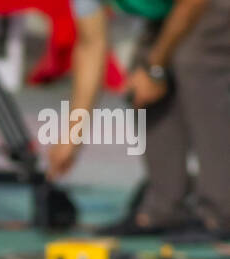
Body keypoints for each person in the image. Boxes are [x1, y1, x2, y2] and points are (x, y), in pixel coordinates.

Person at [47, 0, 230, 238]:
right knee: (142, 78)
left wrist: (156, 69)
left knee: (196, 61)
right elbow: (92, 44)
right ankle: (164, 209)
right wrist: (73, 133)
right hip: (171, 10)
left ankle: (221, 213)